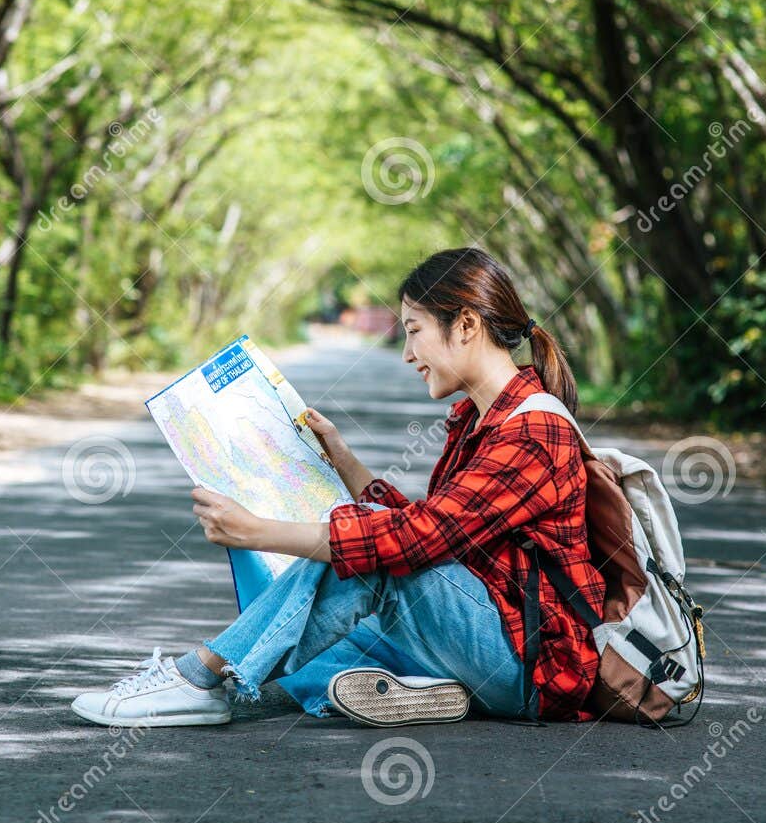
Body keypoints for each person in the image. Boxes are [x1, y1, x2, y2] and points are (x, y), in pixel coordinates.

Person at [71, 246, 605, 728]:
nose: (406, 353)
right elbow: (445, 530)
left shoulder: (535, 430)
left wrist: (259, 531)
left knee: (368, 558)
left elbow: (417, 540)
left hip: (533, 669)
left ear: (465, 324)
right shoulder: (477, 417)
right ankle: (421, 689)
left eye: (414, 330)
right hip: (492, 632)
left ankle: (198, 677)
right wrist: (344, 461)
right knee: (327, 614)